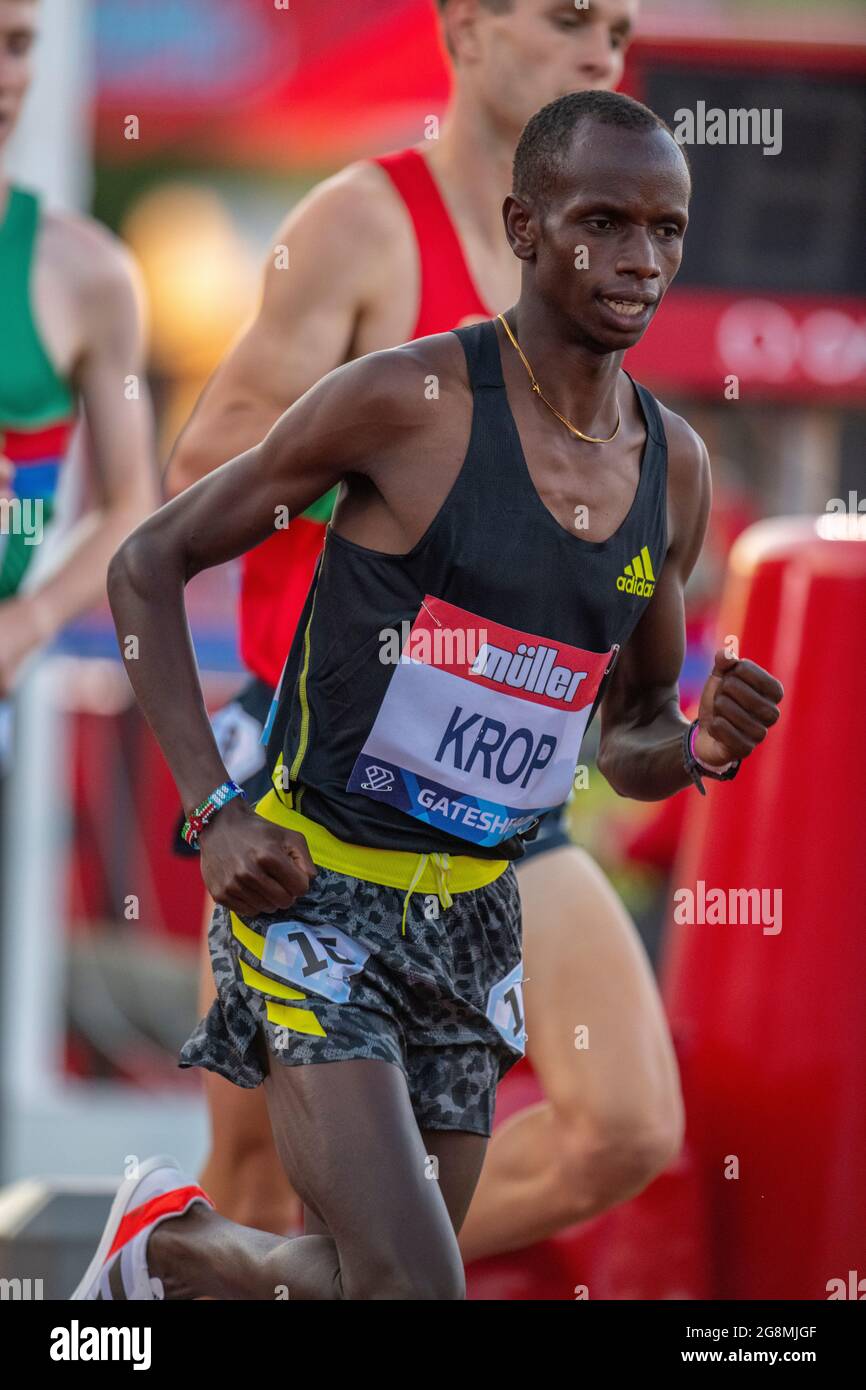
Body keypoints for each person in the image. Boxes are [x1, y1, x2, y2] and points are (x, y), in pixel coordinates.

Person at [75, 91, 784, 1301]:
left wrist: (703, 744)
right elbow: (148, 562)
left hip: (473, 921)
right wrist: (212, 811)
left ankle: (169, 1253)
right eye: (600, 223)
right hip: (315, 894)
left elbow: (626, 740)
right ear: (521, 223)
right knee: (416, 1285)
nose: (638, 260)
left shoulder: (670, 469)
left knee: (375, 1282)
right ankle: (169, 1251)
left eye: (665, 230)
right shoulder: (407, 401)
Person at [166, 0, 685, 1261]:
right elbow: (199, 465)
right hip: (317, 770)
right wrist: (403, 446)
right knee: (244, 1163)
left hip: (498, 791)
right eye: (567, 18)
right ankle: (176, 1281)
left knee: (624, 1123)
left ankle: (345, 1274)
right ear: (462, 24)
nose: (599, 51)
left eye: (617, 30)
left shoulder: (597, 258)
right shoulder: (362, 222)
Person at [0, 0, 156, 777]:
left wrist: (28, 622)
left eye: (19, 46)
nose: (6, 78)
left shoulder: (88, 275)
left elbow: (131, 502)